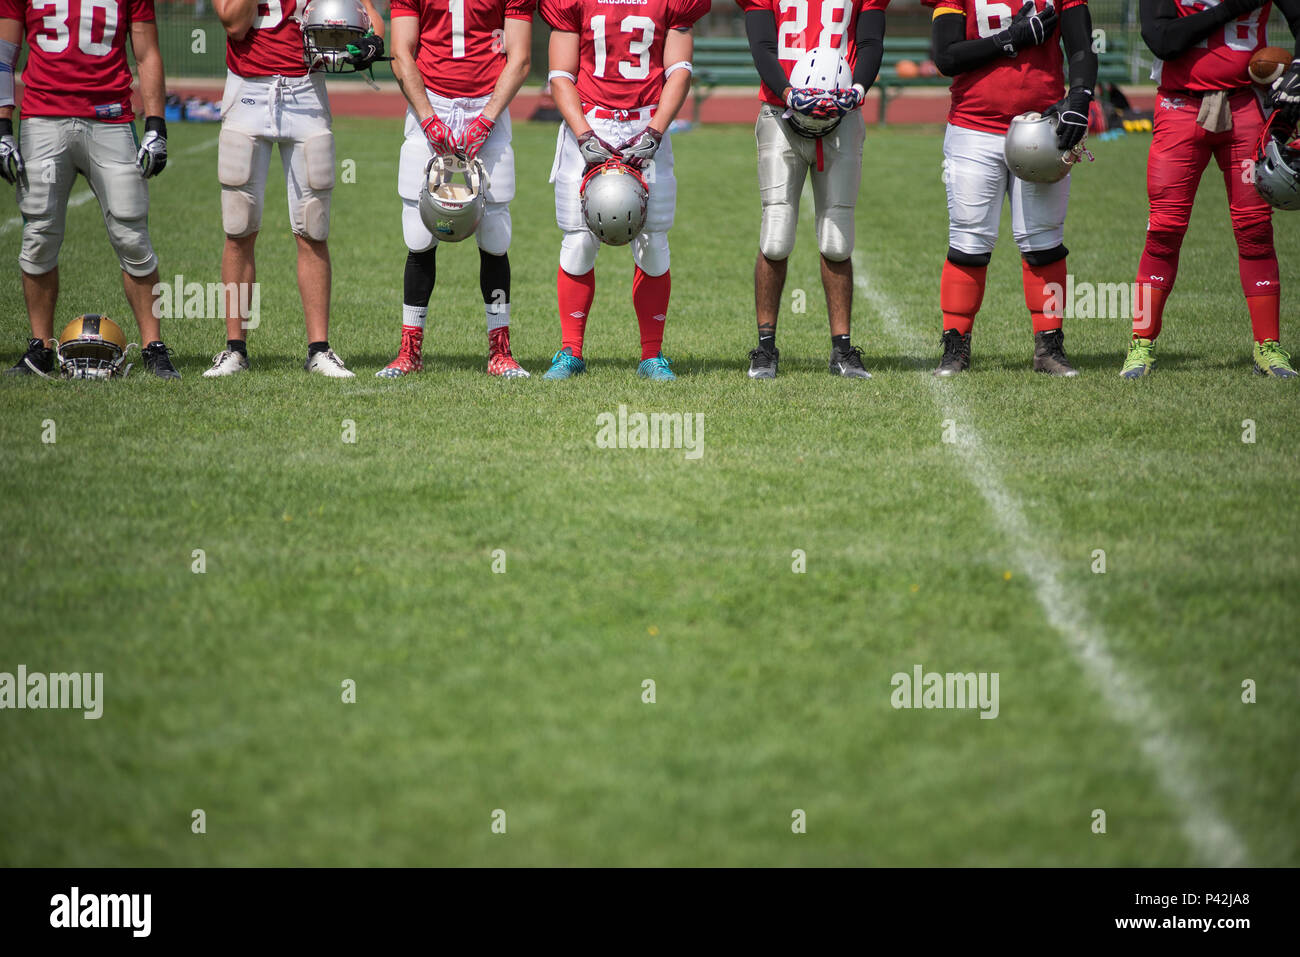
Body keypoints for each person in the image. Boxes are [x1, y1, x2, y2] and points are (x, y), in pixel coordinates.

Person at [204, 0, 385, 378]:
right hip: (247, 91)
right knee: (239, 227)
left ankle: (319, 350)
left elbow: (372, 20)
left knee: (313, 227)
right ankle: (235, 349)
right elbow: (234, 24)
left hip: (306, 91)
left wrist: (372, 42)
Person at [1120, 0, 1300, 378]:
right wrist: (1230, 8)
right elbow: (1163, 40)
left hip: (1247, 104)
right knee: (1164, 229)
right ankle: (1142, 343)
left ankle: (1268, 346)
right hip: (1179, 103)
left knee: (1255, 229)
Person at [1, 0, 180, 379]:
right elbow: (4, 53)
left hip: (110, 118)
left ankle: (154, 348)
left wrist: (156, 124)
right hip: (42, 118)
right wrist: (2, 125)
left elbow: (146, 53)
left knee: (132, 234)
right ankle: (39, 348)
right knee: (39, 234)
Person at [537, 0, 711, 381]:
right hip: (590, 118)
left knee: (654, 239)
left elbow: (680, 70)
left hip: (648, 117)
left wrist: (655, 133)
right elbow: (560, 74)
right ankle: (570, 351)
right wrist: (584, 136)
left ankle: (652, 354)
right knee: (579, 239)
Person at [928, 0, 1097, 377]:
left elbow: (1082, 45)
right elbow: (946, 56)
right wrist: (1010, 40)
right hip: (974, 126)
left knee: (1044, 241)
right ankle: (955, 345)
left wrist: (1082, 95)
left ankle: (1049, 346)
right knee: (969, 241)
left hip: (1042, 123)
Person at [738, 0, 888, 380]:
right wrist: (787, 92)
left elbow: (870, 42)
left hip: (842, 115)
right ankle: (765, 349)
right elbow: (762, 45)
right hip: (780, 115)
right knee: (775, 234)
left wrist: (857, 89)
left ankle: (842, 350)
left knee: (837, 239)